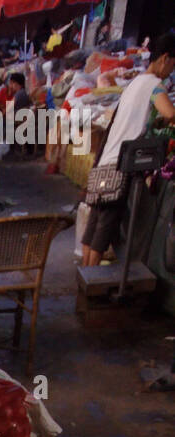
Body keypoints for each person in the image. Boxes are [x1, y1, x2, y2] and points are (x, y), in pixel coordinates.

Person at [81, 32, 175, 267]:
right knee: (102, 234)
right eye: (173, 65)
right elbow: (171, 113)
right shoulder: (154, 84)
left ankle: (84, 277)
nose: (170, 71)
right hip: (119, 167)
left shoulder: (134, 84)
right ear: (165, 58)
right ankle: (89, 290)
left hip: (105, 161)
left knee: (93, 228)